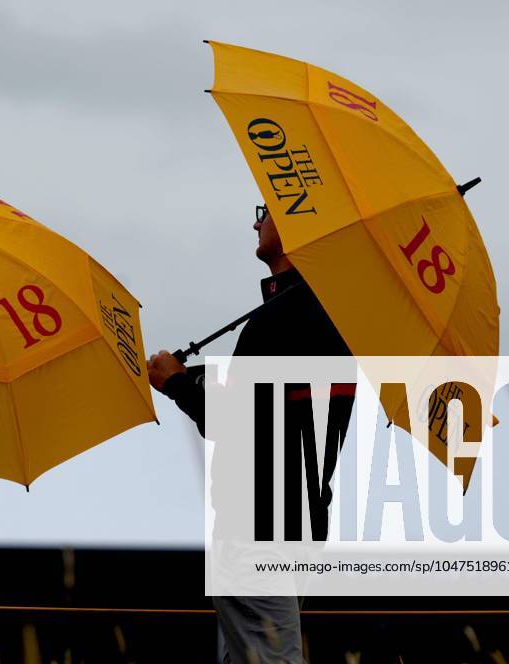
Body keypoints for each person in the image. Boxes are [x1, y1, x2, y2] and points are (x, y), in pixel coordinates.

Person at [147, 205, 353, 664]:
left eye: (266, 211)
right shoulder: (333, 315)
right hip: (299, 525)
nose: (256, 222)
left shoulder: (281, 318)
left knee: (270, 658)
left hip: (257, 528)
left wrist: (176, 383)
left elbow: (237, 419)